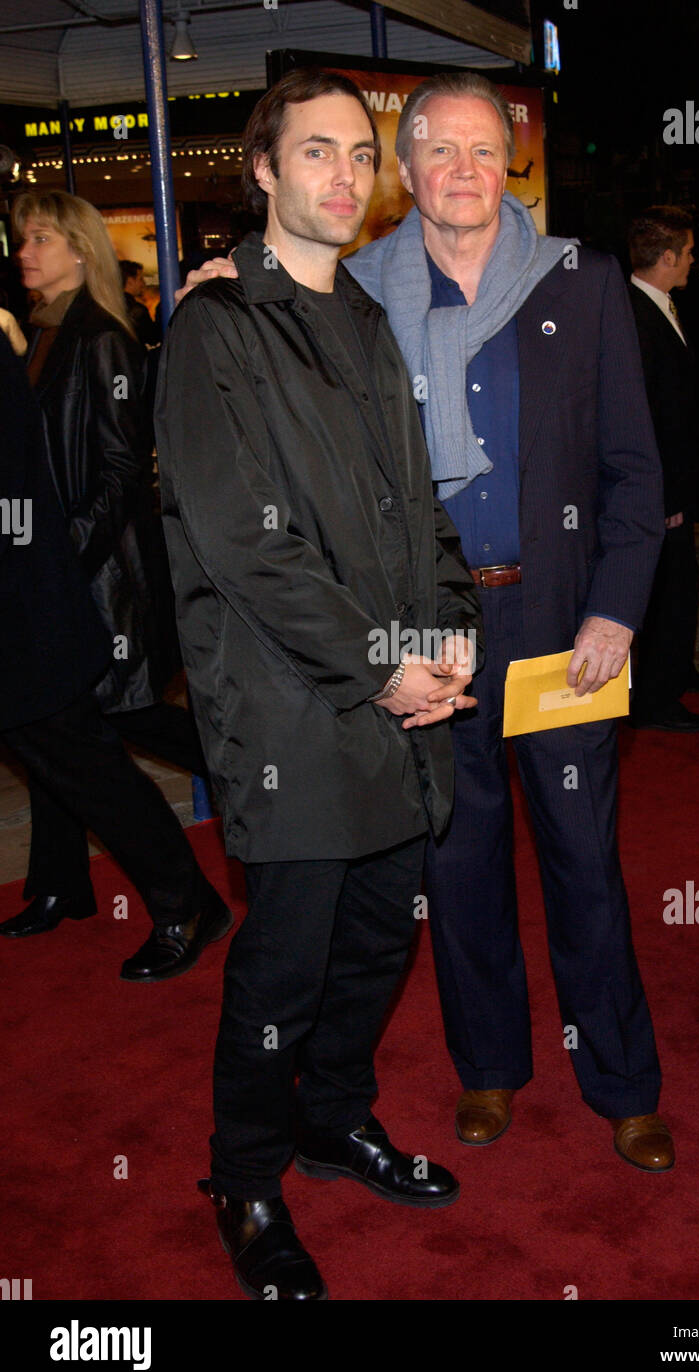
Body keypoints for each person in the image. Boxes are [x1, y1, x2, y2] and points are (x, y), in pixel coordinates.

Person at [180, 70, 675, 1172]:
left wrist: (613, 614)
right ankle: (489, 1067)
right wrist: (220, 275)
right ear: (404, 174)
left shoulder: (580, 282)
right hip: (423, 636)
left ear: (512, 167)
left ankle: (623, 1081)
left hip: (558, 629)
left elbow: (636, 472)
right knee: (452, 868)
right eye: (435, 152)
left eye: (482, 152)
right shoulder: (352, 293)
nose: (461, 171)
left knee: (584, 864)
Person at [155, 69, 482, 1301]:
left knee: (370, 952)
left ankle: (331, 1117)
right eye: (315, 154)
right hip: (293, 718)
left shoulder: (364, 320)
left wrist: (449, 633)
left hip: (397, 714)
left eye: (360, 155)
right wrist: (381, 667)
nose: (343, 177)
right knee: (281, 976)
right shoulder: (214, 328)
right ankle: (243, 1180)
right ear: (262, 169)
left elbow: (418, 511)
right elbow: (246, 546)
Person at [1, 191, 218, 984]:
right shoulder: (40, 335)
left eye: (42, 238)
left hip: (98, 577)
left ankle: (247, 771)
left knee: (112, 725)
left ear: (81, 249)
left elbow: (122, 472)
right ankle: (62, 884)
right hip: (58, 573)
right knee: (72, 734)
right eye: (22, 237)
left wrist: (58, 560)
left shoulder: (99, 337)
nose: (25, 251)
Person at [627, 206, 699, 731]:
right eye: (687, 252)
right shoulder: (634, 316)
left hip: (675, 480)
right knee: (666, 594)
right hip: (658, 490)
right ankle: (658, 699)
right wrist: (658, 498)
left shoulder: (660, 306)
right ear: (666, 257)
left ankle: (676, 671)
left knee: (679, 585)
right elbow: (641, 419)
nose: (693, 260)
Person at [119, 259, 159, 347]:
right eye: (140, 279)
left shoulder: (112, 306)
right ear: (130, 281)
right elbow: (153, 338)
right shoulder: (138, 310)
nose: (143, 283)